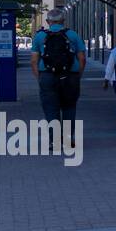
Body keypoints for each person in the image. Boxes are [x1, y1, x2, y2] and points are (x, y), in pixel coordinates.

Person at [30, 8, 87, 145]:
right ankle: (68, 139)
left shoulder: (39, 36)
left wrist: (40, 77)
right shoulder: (73, 35)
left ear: (48, 21)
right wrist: (77, 75)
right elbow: (82, 59)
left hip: (47, 76)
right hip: (70, 76)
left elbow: (34, 61)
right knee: (69, 107)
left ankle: (54, 141)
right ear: (63, 21)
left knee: (50, 108)